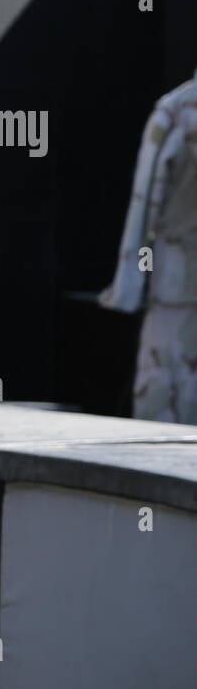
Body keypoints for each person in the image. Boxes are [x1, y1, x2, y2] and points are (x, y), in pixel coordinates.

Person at [100, 69, 197, 424]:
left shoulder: (176, 110)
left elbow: (144, 205)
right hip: (174, 274)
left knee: (164, 393)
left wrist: (131, 283)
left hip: (173, 278)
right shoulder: (175, 111)